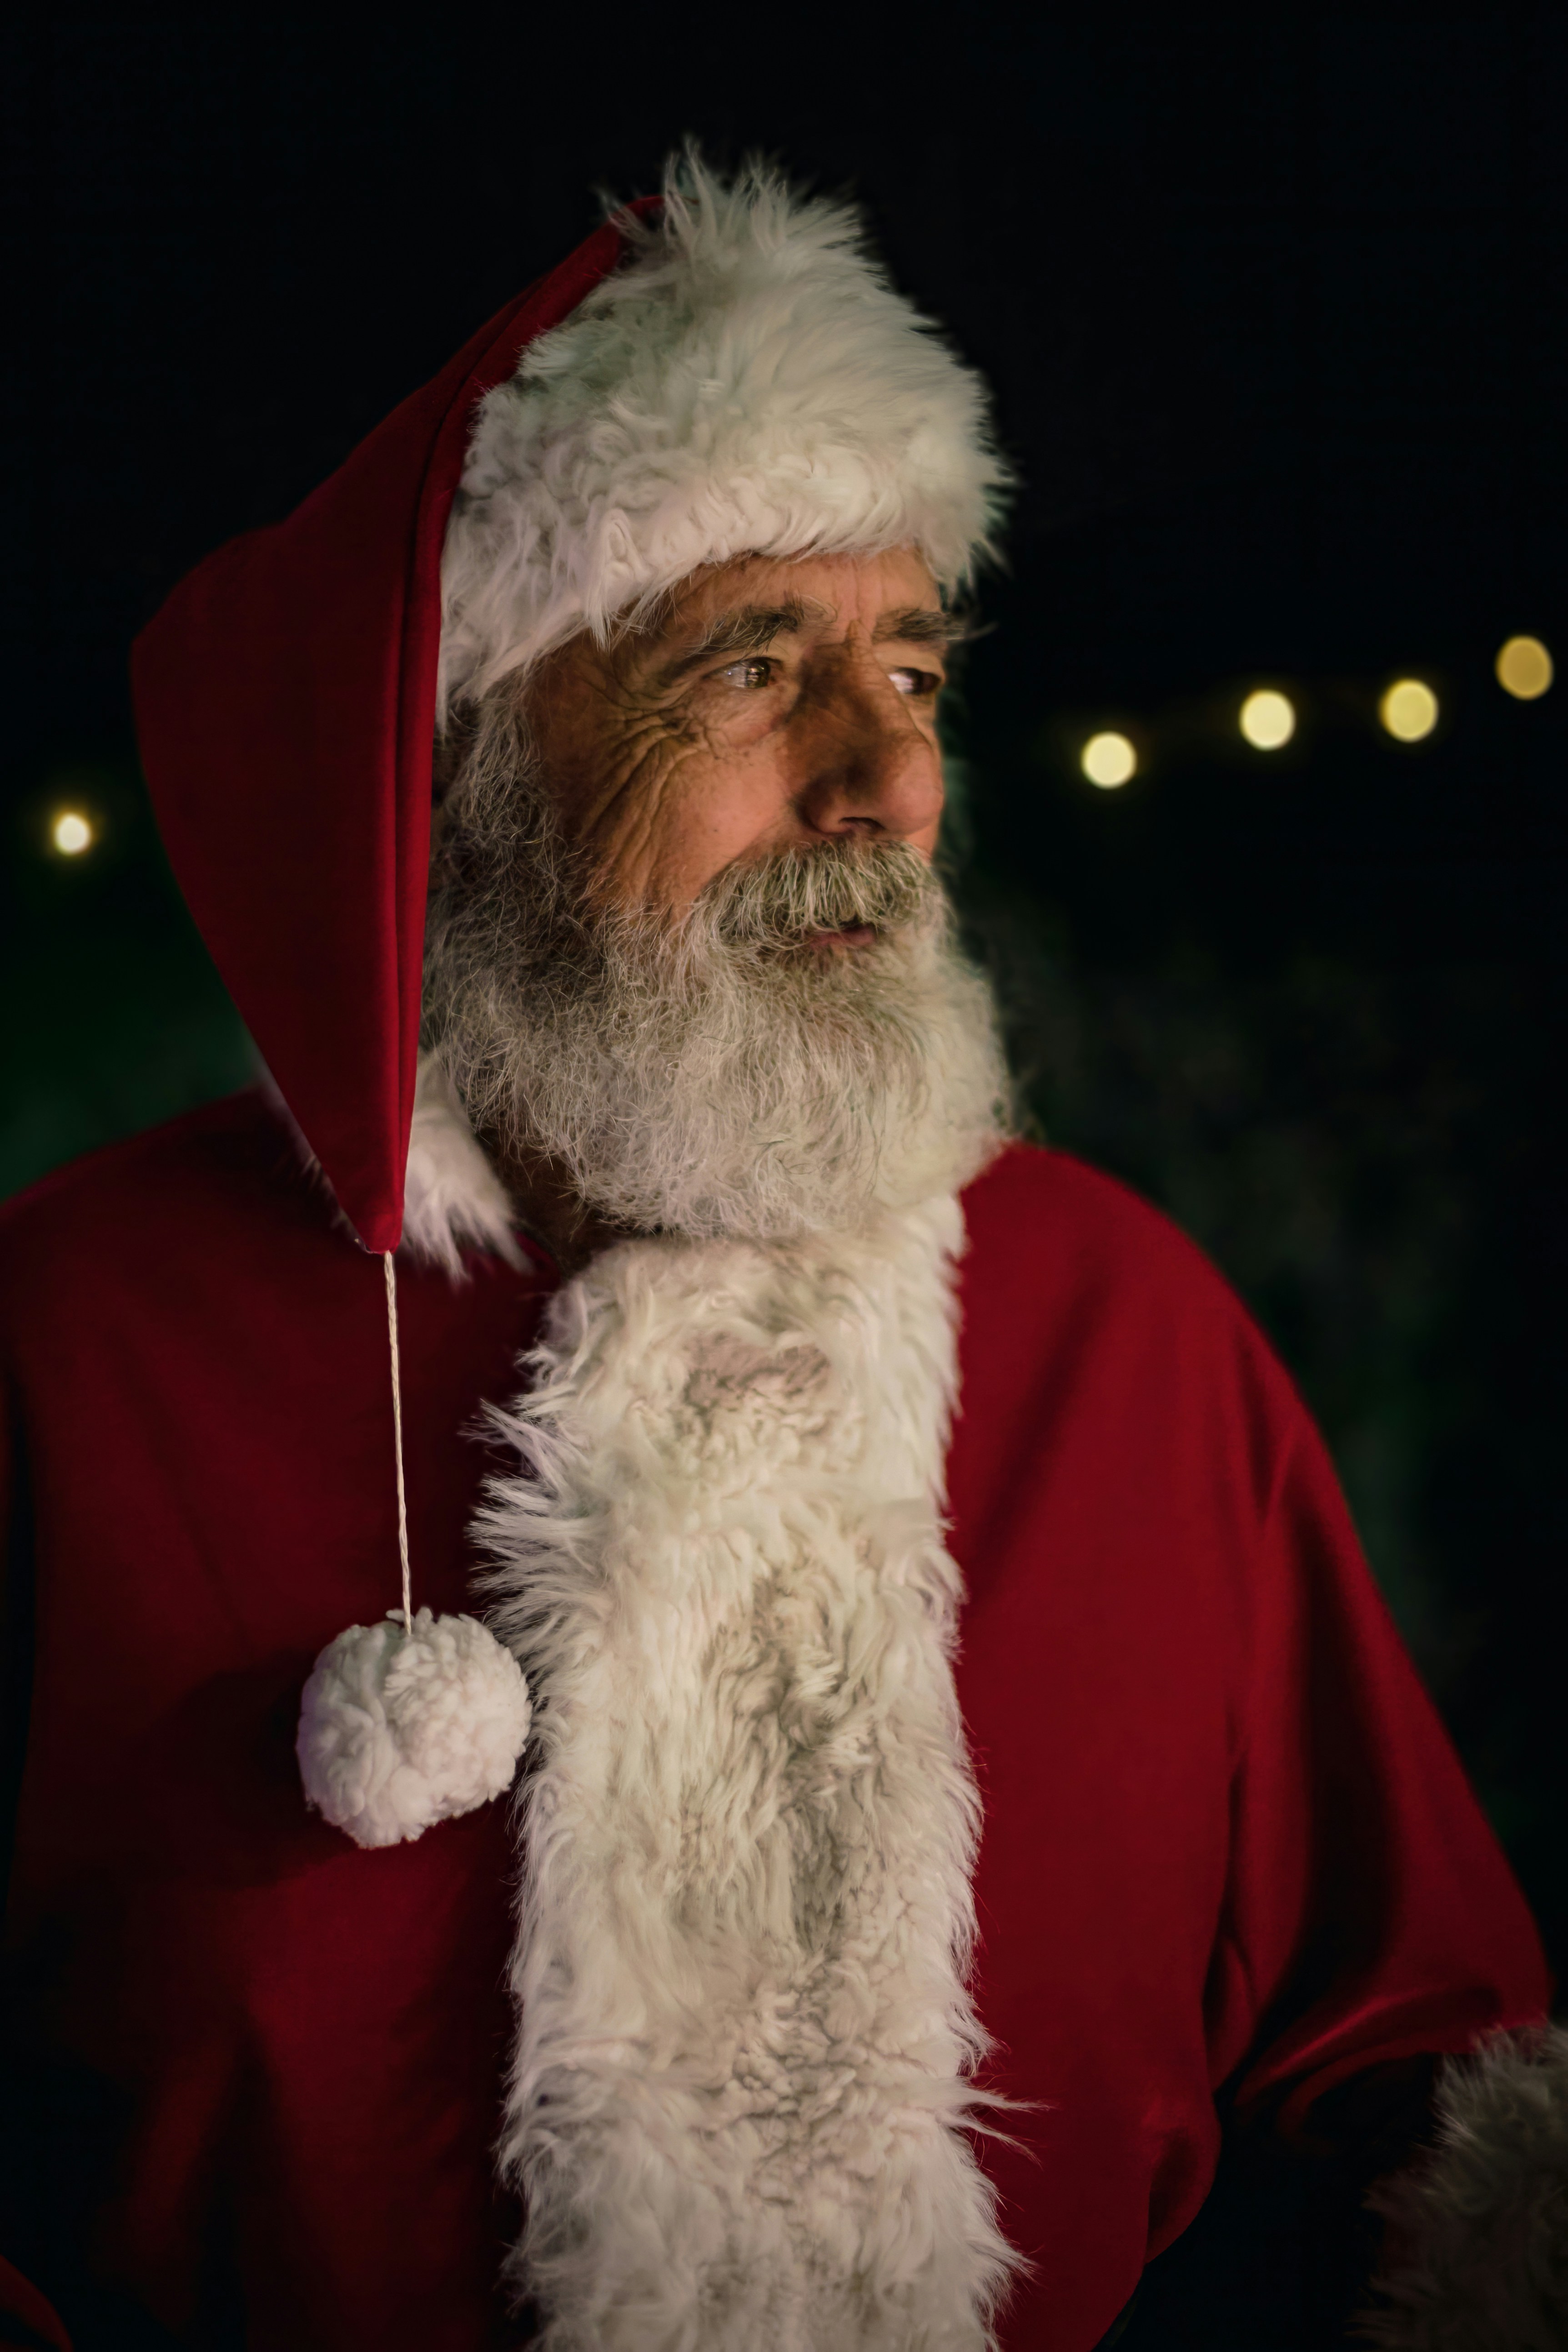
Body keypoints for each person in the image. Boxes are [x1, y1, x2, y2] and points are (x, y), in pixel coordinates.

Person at [0, 153, 1560, 2352]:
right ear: (462, 761)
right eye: (749, 666)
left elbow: (1438, 2104)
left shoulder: (1129, 1338)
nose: (884, 783)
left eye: (909, 670)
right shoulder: (69, 1347)